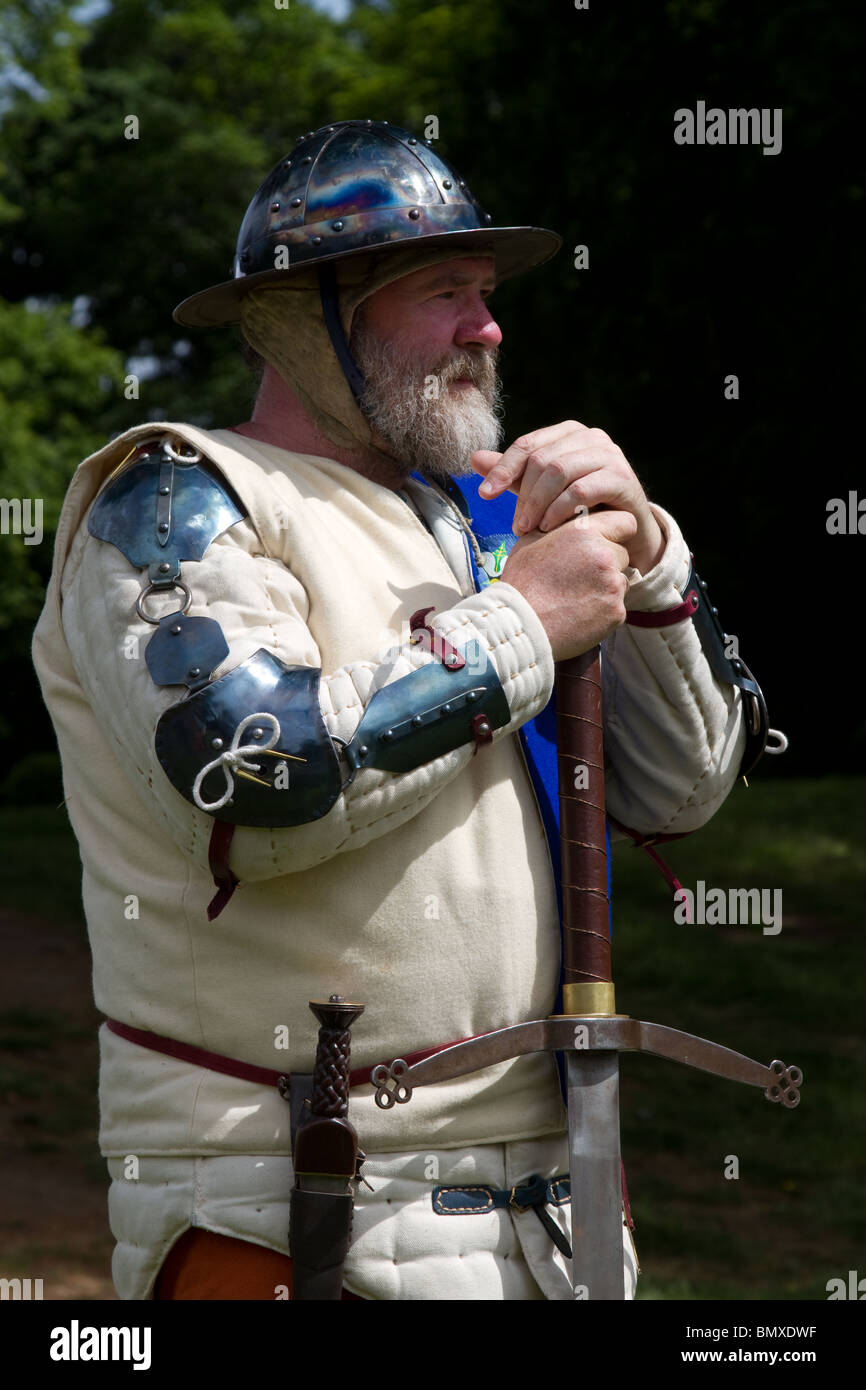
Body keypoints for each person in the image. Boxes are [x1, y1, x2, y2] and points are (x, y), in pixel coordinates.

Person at [32, 120, 766, 1301]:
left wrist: (647, 564)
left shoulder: (472, 519)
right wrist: (523, 624)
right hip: (288, 1195)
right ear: (300, 317)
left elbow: (678, 791)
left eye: (484, 293)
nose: (486, 327)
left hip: (544, 1202)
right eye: (443, 293)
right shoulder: (174, 495)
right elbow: (256, 783)